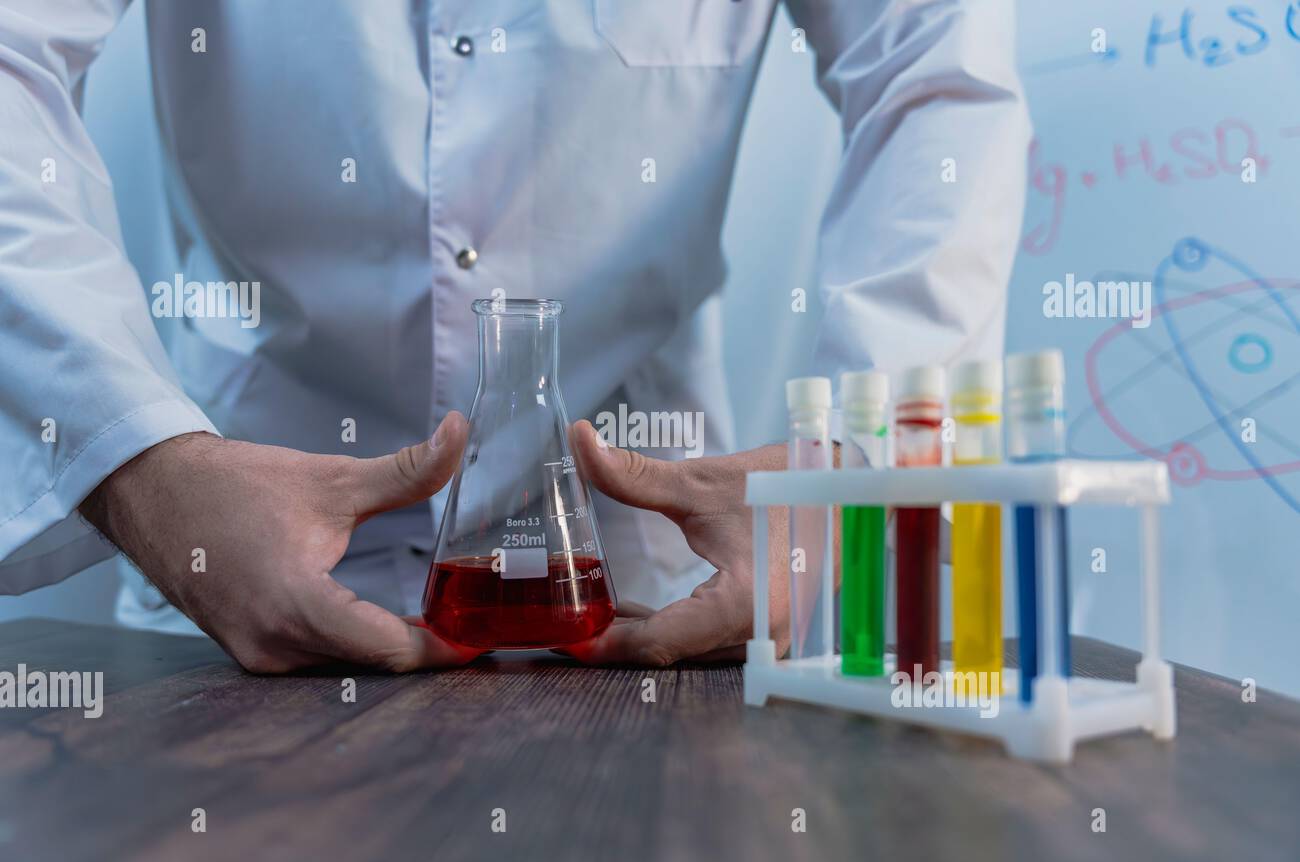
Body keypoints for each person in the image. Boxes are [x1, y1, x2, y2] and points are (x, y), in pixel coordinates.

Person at [0, 0, 1028, 671]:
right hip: (235, 559)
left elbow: (937, 81)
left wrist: (846, 487)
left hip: (643, 587)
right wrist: (143, 464)